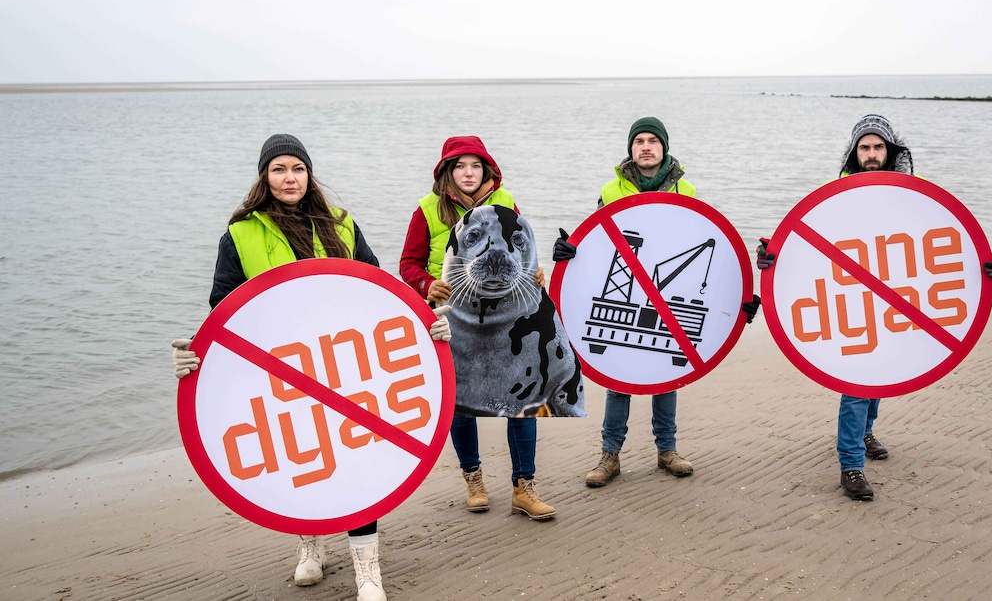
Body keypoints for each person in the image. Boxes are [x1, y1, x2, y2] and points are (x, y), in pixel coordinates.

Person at [170, 133, 443, 601]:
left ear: (309, 174)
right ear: (264, 177)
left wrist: (423, 327)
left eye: (297, 168)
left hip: (349, 365)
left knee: (358, 462)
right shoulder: (241, 232)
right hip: (280, 373)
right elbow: (223, 307)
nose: (289, 177)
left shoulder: (341, 223)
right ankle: (310, 546)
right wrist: (196, 356)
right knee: (304, 463)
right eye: (278, 169)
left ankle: (368, 571)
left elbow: (378, 288)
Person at [756, 114, 992, 502]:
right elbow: (807, 243)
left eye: (878, 147)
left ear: (890, 150)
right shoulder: (836, 193)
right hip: (851, 296)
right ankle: (851, 465)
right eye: (864, 148)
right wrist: (772, 258)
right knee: (856, 381)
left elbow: (943, 240)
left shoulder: (914, 193)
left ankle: (865, 432)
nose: (871, 155)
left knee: (882, 372)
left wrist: (984, 265)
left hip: (895, 297)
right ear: (854, 153)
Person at [554, 116, 760, 488]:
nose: (646, 147)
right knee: (619, 379)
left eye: (653, 141)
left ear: (663, 147)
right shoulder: (611, 190)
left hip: (663, 295)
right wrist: (569, 255)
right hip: (628, 285)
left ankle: (668, 450)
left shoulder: (688, 191)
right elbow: (598, 245)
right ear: (631, 149)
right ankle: (610, 455)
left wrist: (738, 297)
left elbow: (708, 240)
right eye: (639, 142)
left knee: (667, 377)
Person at [398, 135, 556, 521]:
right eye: (459, 166)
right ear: (446, 172)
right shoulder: (427, 210)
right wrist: (424, 284)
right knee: (462, 407)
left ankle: (524, 488)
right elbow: (408, 263)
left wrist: (535, 271)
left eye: (474, 165)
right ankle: (474, 480)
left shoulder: (506, 203)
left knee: (521, 404)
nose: (468, 173)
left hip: (507, 319)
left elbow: (524, 249)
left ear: (486, 169)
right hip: (454, 322)